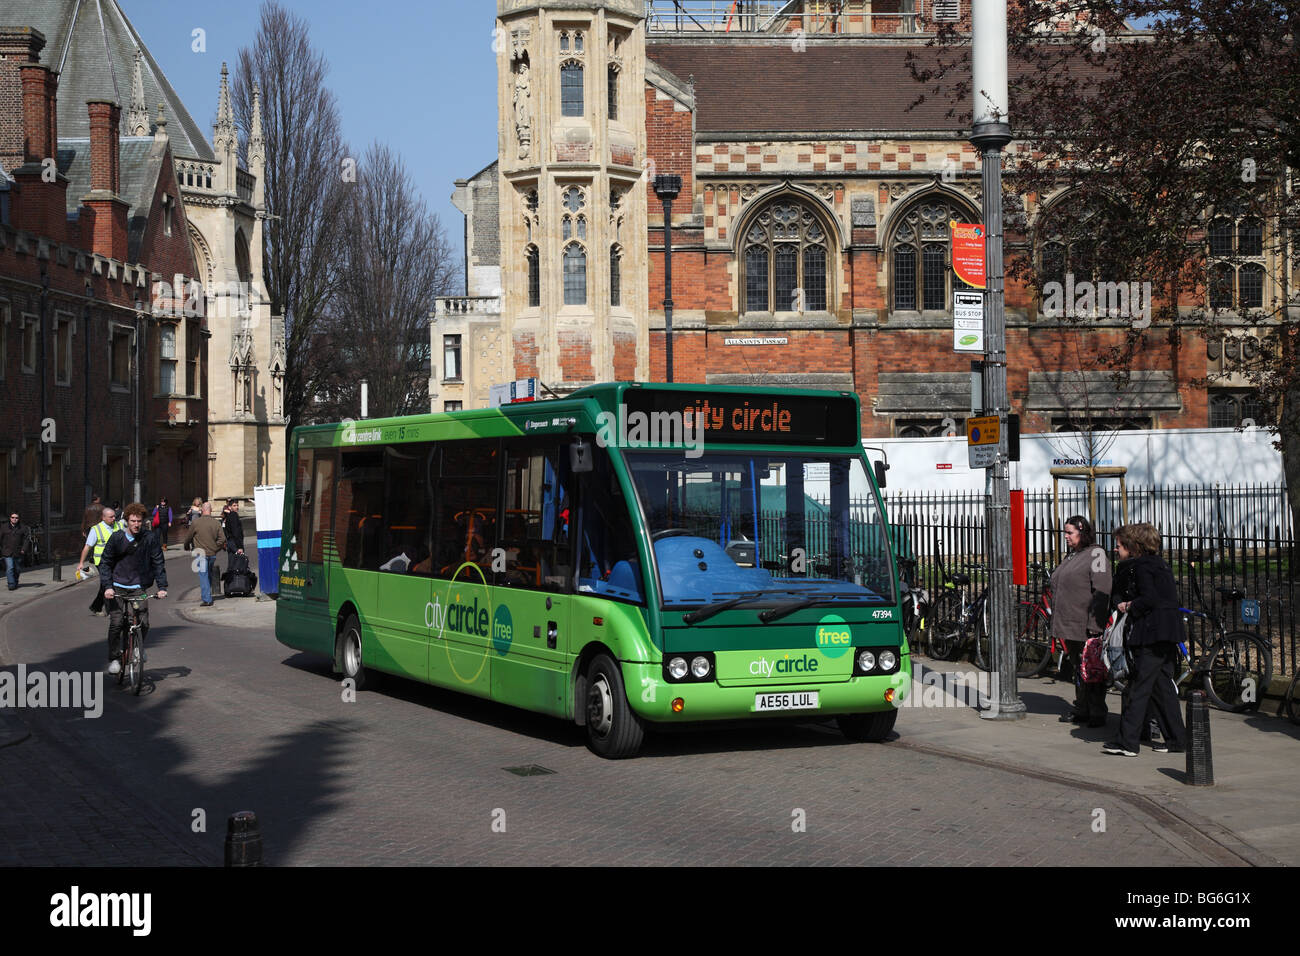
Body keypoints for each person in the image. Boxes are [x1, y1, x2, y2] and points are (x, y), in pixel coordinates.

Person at [1103, 522, 1189, 757]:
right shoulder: (1160, 564)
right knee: (1163, 688)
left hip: (1150, 633)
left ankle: (1127, 742)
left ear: (1136, 545)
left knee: (1139, 687)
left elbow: (1149, 599)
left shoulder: (1142, 566)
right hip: (1168, 632)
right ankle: (1177, 739)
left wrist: (1129, 605)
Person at [1049, 515, 1112, 728]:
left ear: (1082, 532)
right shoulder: (1073, 555)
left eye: (1069, 533)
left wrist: (1096, 624)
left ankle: (1096, 711)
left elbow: (1102, 590)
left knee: (1092, 669)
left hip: (1086, 624)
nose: (1065, 537)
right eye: (1065, 533)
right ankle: (1082, 707)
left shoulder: (1096, 554)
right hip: (1070, 624)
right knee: (1079, 668)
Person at [99, 502, 167, 675]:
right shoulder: (117, 538)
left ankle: (138, 647)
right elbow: (105, 562)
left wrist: (162, 586)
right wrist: (108, 586)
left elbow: (158, 562)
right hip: (117, 587)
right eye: (133, 521)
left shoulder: (149, 538)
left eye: (139, 521)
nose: (136, 524)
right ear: (127, 521)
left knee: (144, 622)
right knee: (116, 623)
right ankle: (115, 658)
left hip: (138, 586)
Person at [78, 506, 119, 615]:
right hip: (101, 561)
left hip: (115, 560)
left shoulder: (118, 526)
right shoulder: (96, 529)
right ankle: (110, 611)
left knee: (106, 583)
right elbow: (87, 547)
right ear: (103, 518)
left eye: (114, 516)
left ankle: (96, 607)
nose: (114, 518)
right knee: (107, 584)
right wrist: (81, 563)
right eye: (111, 517)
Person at [184, 501, 226, 606]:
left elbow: (188, 537)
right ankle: (208, 594)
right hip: (212, 553)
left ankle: (207, 599)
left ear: (202, 510)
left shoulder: (196, 523)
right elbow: (222, 539)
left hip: (200, 552)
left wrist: (186, 546)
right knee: (208, 575)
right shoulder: (216, 523)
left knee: (203, 575)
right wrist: (215, 548)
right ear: (210, 510)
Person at [1, 511, 26, 591]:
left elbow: (26, 539)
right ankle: (11, 584)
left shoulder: (22, 527)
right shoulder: (4, 527)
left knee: (17, 569)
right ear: (10, 518)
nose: (14, 519)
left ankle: (15, 581)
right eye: (13, 517)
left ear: (18, 519)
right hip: (7, 551)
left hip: (18, 552)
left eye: (16, 518)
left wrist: (23, 549)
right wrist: (2, 549)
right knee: (10, 567)